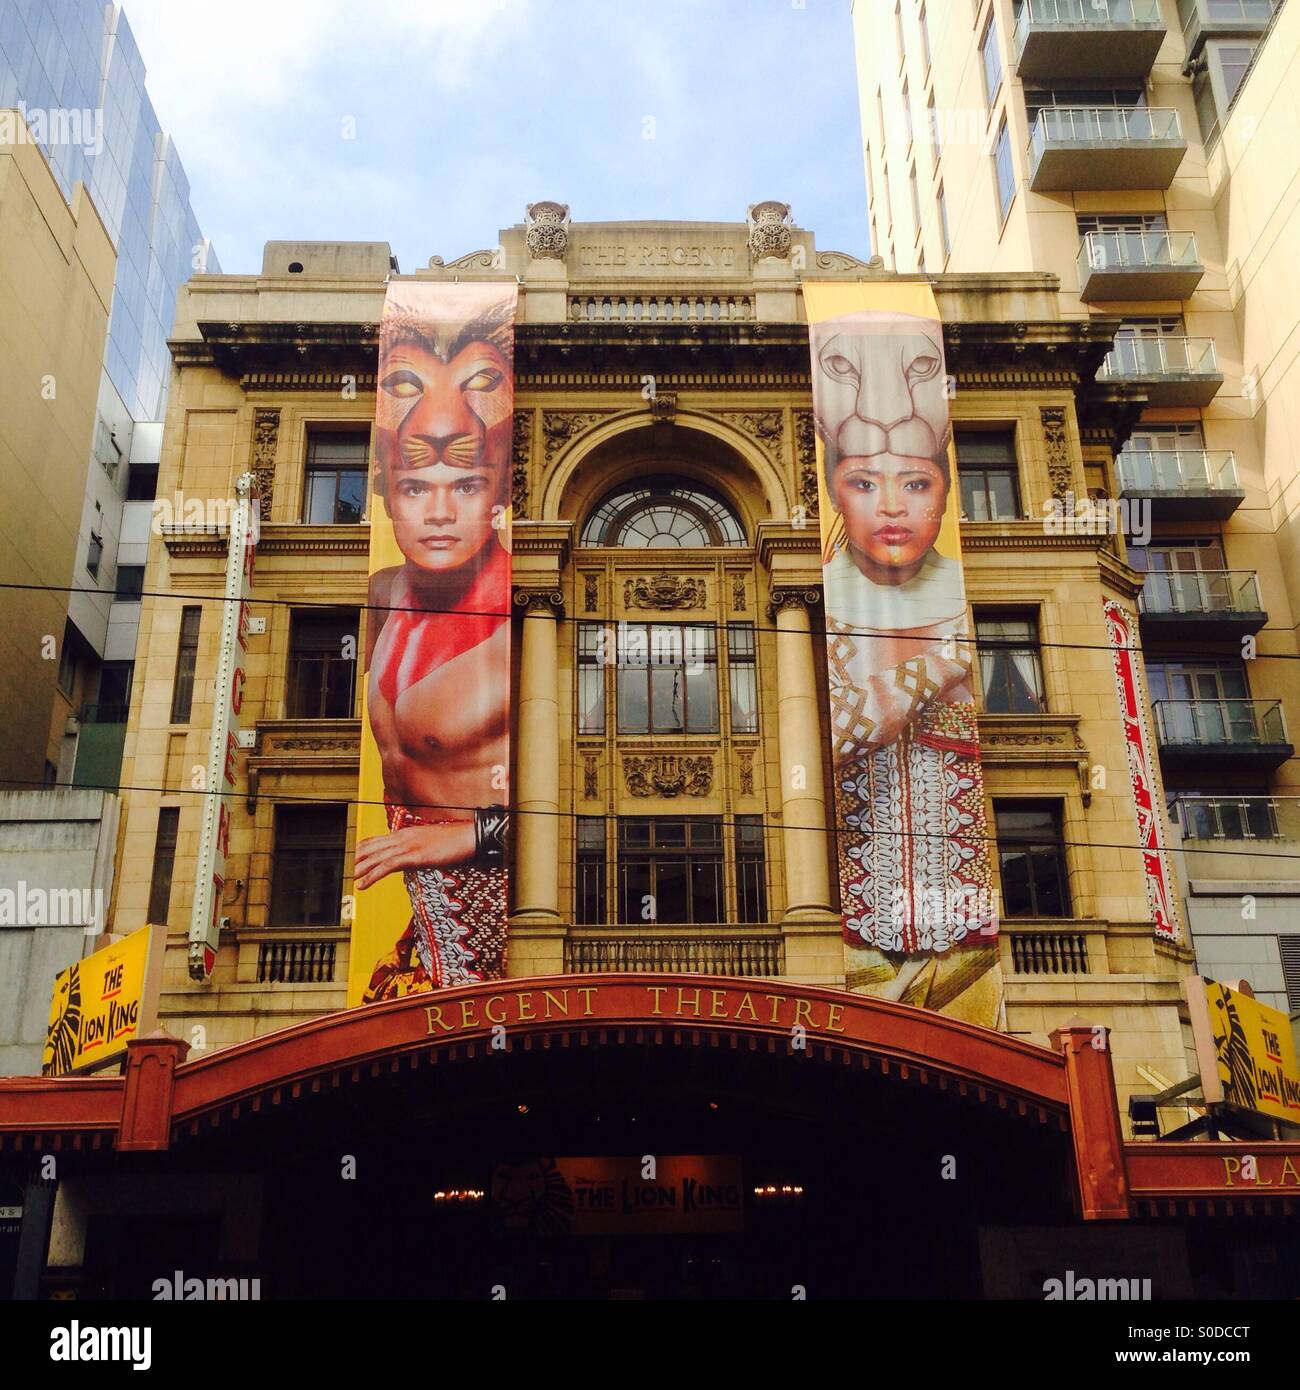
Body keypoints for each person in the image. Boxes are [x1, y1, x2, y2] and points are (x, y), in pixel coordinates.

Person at [811, 309, 997, 1009]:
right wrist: (937, 668)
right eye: (863, 483)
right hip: (869, 923)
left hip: (966, 925)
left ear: (946, 491)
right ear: (833, 492)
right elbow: (842, 728)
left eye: (917, 484)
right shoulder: (835, 590)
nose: (891, 506)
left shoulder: (957, 591)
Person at [356, 287, 515, 1000]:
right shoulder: (384, 591)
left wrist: (469, 838)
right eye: (418, 488)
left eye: (468, 485)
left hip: (491, 912)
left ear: (497, 494)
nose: (441, 513)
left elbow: (585, 805)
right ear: (390, 496)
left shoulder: (526, 625)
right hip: (407, 912)